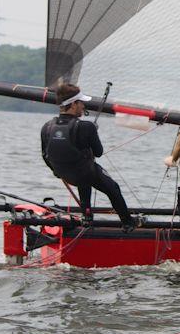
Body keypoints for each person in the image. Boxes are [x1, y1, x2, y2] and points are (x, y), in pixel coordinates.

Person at [41, 82, 137, 230]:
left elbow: (45, 155)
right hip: (84, 174)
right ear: (73, 104)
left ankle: (87, 216)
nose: (83, 106)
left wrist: (58, 172)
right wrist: (93, 133)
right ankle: (128, 222)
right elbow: (98, 152)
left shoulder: (47, 127)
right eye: (81, 103)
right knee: (113, 188)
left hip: (64, 174)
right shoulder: (87, 127)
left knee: (83, 175)